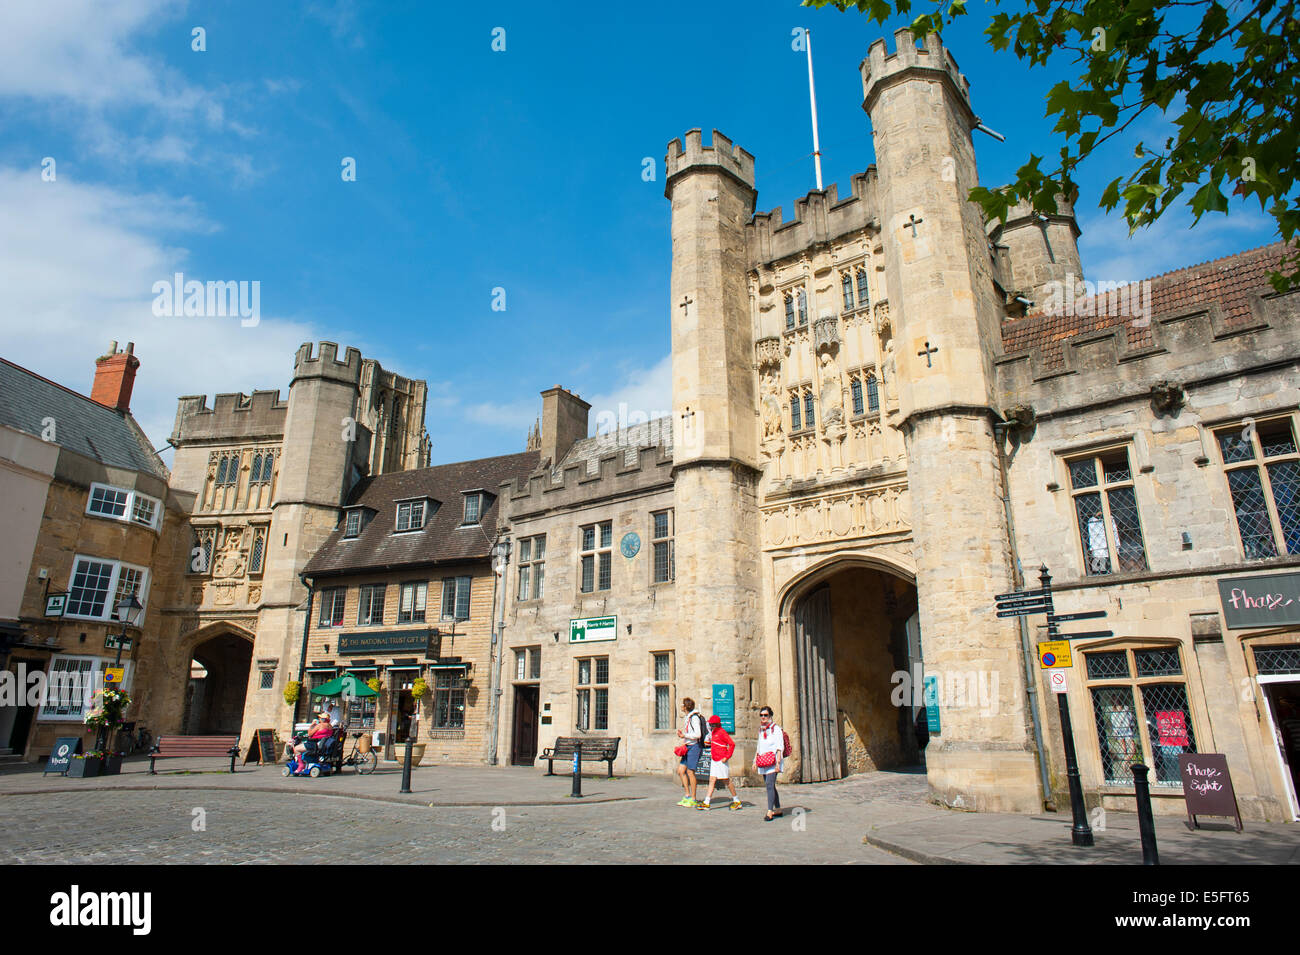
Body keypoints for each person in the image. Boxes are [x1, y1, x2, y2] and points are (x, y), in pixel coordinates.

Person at [696, 715, 742, 811]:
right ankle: (706, 802)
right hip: (714, 759)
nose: (711, 726)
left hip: (721, 760)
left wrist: (727, 757)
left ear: (717, 724)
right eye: (710, 724)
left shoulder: (722, 732)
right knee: (712, 780)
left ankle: (736, 800)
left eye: (712, 724)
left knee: (726, 780)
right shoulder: (713, 732)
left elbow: (732, 744)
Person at [675, 698, 709, 807]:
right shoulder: (688, 717)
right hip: (688, 746)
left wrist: (684, 735)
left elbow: (698, 734)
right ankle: (687, 795)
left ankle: (693, 798)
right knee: (681, 770)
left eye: (682, 705)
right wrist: (684, 740)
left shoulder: (694, 718)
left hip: (694, 747)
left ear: (685, 707)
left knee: (690, 772)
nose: (681, 706)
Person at [755, 706, 784, 821]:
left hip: (773, 761)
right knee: (770, 785)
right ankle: (778, 808)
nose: (763, 717)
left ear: (770, 716)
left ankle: (769, 811)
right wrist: (754, 761)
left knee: (769, 785)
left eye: (765, 715)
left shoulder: (776, 729)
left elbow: (779, 746)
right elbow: (759, 746)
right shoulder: (761, 730)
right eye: (761, 715)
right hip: (763, 761)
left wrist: (778, 763)